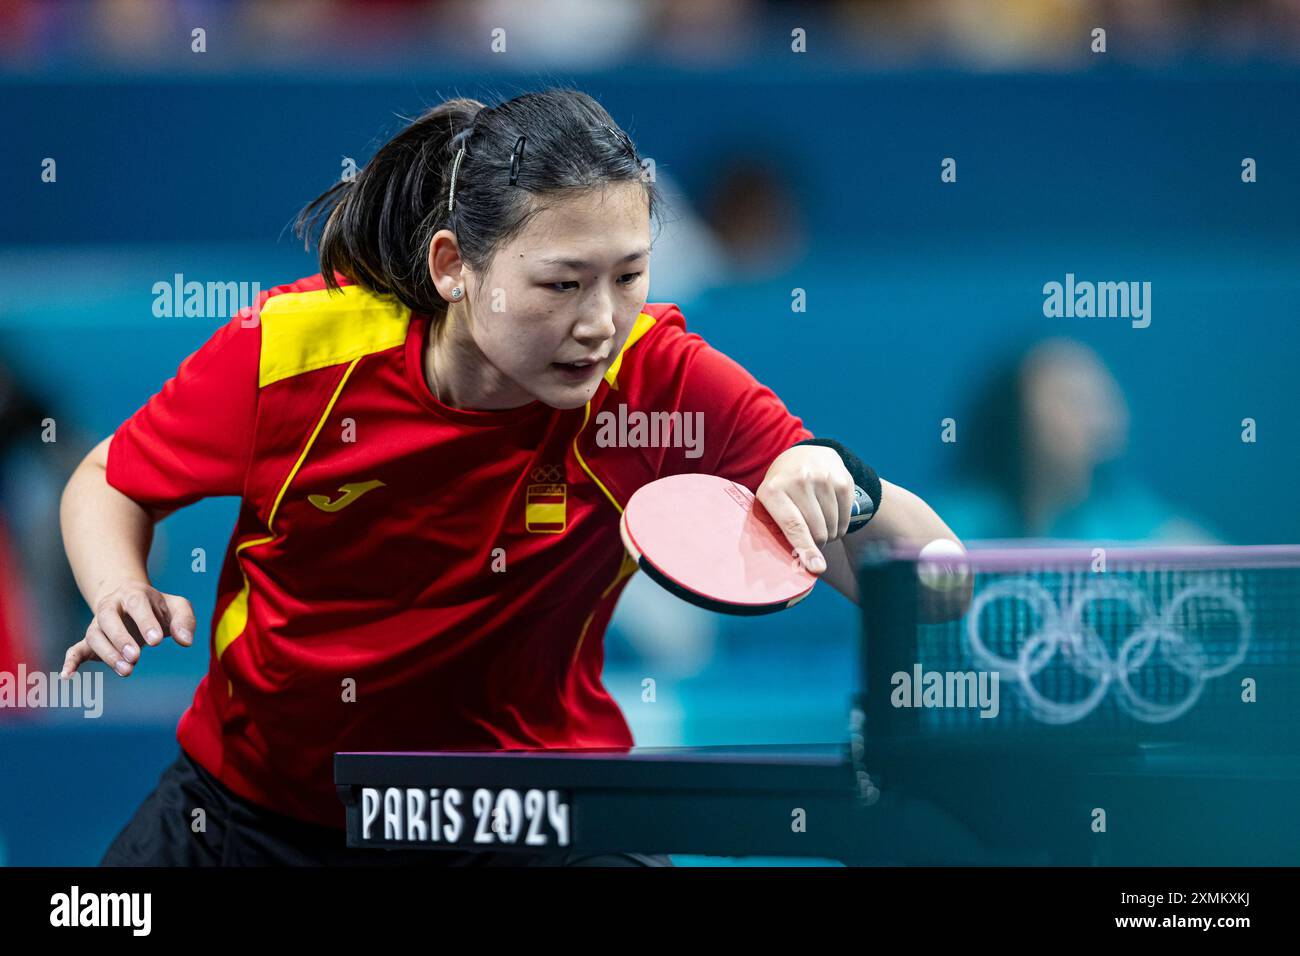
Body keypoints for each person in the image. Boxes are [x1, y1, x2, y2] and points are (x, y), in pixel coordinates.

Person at [59, 89, 961, 866]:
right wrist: (116, 588)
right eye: (562, 284)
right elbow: (109, 479)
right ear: (455, 267)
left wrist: (851, 485)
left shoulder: (658, 381)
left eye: (629, 276)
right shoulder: (293, 352)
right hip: (257, 813)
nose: (600, 323)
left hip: (536, 813)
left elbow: (938, 585)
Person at [939, 338, 1214, 544]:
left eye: (1098, 398)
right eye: (1072, 398)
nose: (1094, 414)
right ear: (1019, 413)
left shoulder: (1141, 523)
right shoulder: (956, 520)